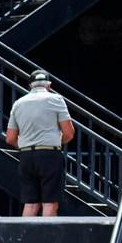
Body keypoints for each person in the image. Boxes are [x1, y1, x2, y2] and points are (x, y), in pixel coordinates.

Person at [5, 70, 75, 217]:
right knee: (49, 203)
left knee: (30, 204)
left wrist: (26, 145)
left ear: (30, 85)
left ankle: (24, 239)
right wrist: (56, 142)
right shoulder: (56, 99)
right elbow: (69, 132)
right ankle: (46, 240)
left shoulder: (18, 103)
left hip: (26, 156)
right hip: (49, 154)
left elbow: (10, 138)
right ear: (49, 85)